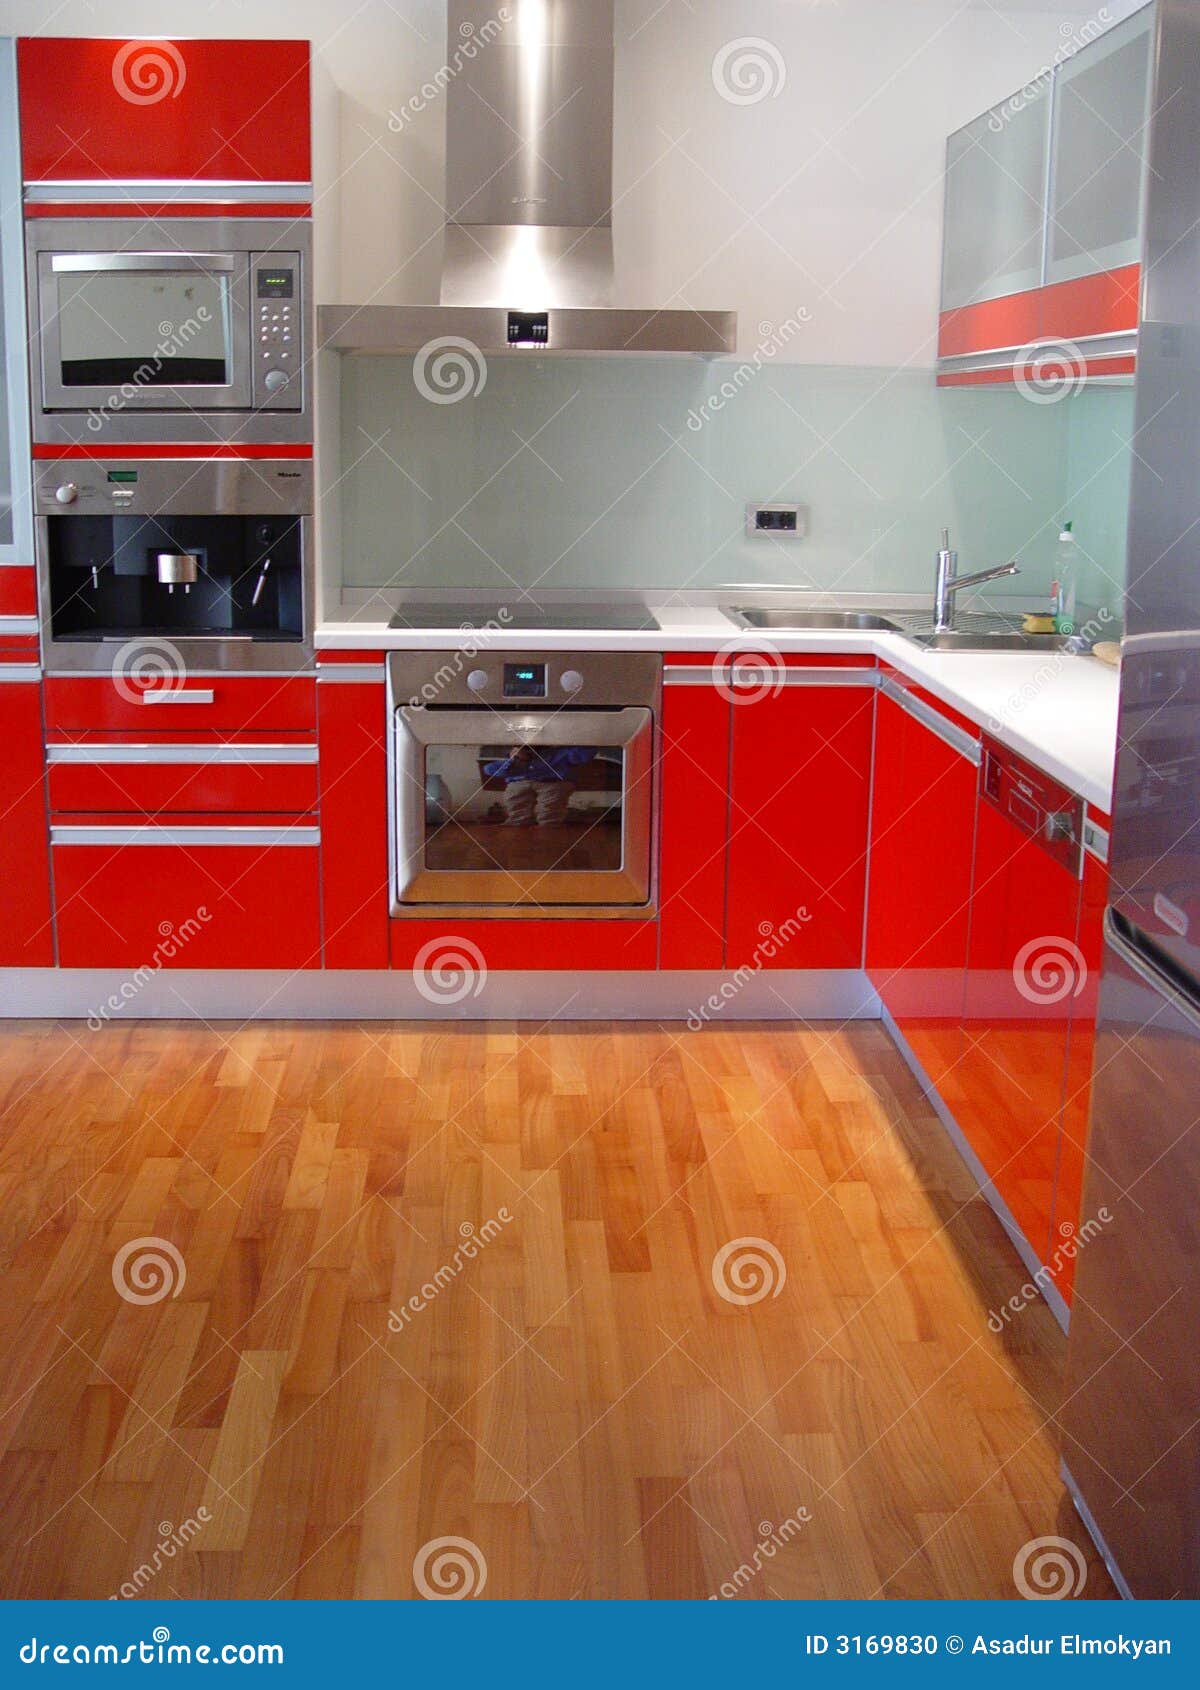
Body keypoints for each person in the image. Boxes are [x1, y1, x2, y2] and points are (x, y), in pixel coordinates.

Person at [482, 745, 595, 827]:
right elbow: (489, 770)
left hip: (553, 782)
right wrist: (514, 760)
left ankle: (549, 829)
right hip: (520, 782)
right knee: (515, 801)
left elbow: (584, 756)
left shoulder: (561, 751)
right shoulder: (512, 755)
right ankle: (518, 825)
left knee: (551, 809)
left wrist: (576, 742)